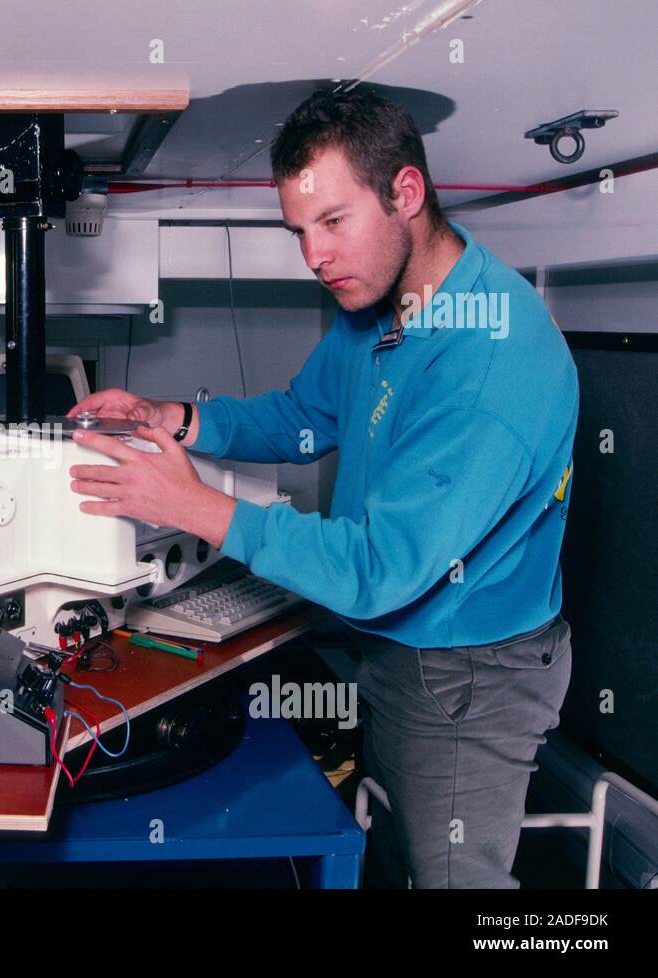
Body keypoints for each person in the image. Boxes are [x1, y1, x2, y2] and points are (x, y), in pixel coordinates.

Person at [65, 88, 578, 888]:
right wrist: (174, 418)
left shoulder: (492, 363)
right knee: (398, 857)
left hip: (471, 672)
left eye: (333, 222)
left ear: (405, 193)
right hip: (400, 643)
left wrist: (192, 505)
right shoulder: (384, 304)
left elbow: (379, 568)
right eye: (300, 230)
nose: (314, 256)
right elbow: (305, 416)